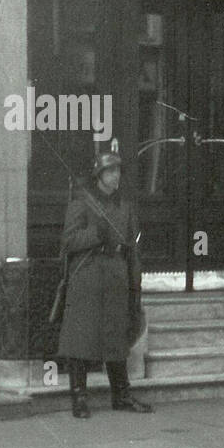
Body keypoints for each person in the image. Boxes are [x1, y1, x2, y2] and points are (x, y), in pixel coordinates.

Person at [56, 146, 152, 417]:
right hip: (87, 277)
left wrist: (135, 286)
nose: (115, 176)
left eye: (118, 170)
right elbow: (68, 242)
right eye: (110, 171)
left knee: (116, 339)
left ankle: (121, 395)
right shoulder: (81, 203)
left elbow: (133, 250)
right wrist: (96, 233)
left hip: (116, 277)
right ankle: (79, 397)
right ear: (99, 174)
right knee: (81, 339)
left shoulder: (126, 206)